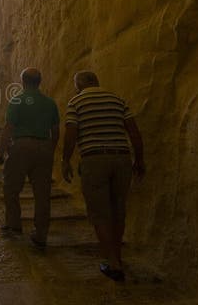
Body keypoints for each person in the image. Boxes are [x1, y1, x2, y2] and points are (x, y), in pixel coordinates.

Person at [61, 70, 145, 282]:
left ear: (79, 85)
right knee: (118, 209)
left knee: (99, 213)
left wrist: (65, 160)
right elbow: (133, 131)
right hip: (121, 158)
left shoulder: (76, 102)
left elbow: (71, 132)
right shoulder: (117, 99)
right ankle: (117, 256)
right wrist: (139, 159)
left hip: (94, 159)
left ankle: (113, 263)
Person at [0, 67, 59, 246]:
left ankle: (14, 224)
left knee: (11, 188)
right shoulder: (50, 103)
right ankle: (41, 233)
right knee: (42, 193)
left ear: (23, 81)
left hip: (21, 146)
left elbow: (9, 129)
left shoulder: (17, 100)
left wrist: (0, 153)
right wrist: (49, 150)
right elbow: (55, 131)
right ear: (40, 82)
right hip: (44, 146)